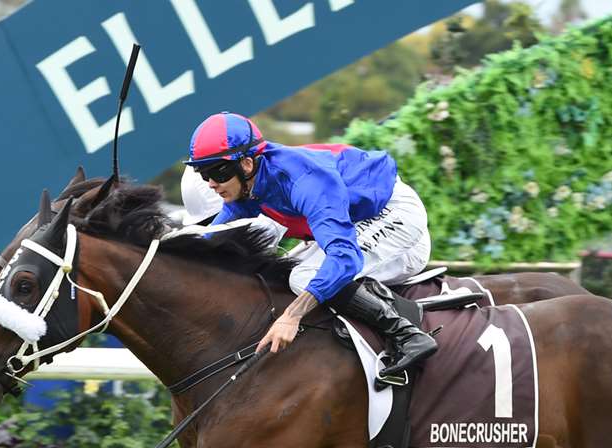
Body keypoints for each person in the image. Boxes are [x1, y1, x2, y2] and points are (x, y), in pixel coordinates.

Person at [183, 111, 437, 379]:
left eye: (217, 172)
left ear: (246, 164)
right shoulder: (251, 181)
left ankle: (406, 335)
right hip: (361, 220)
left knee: (303, 276)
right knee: (289, 272)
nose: (211, 183)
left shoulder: (304, 182)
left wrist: (292, 316)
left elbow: (344, 259)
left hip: (395, 213)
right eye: (204, 174)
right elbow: (212, 235)